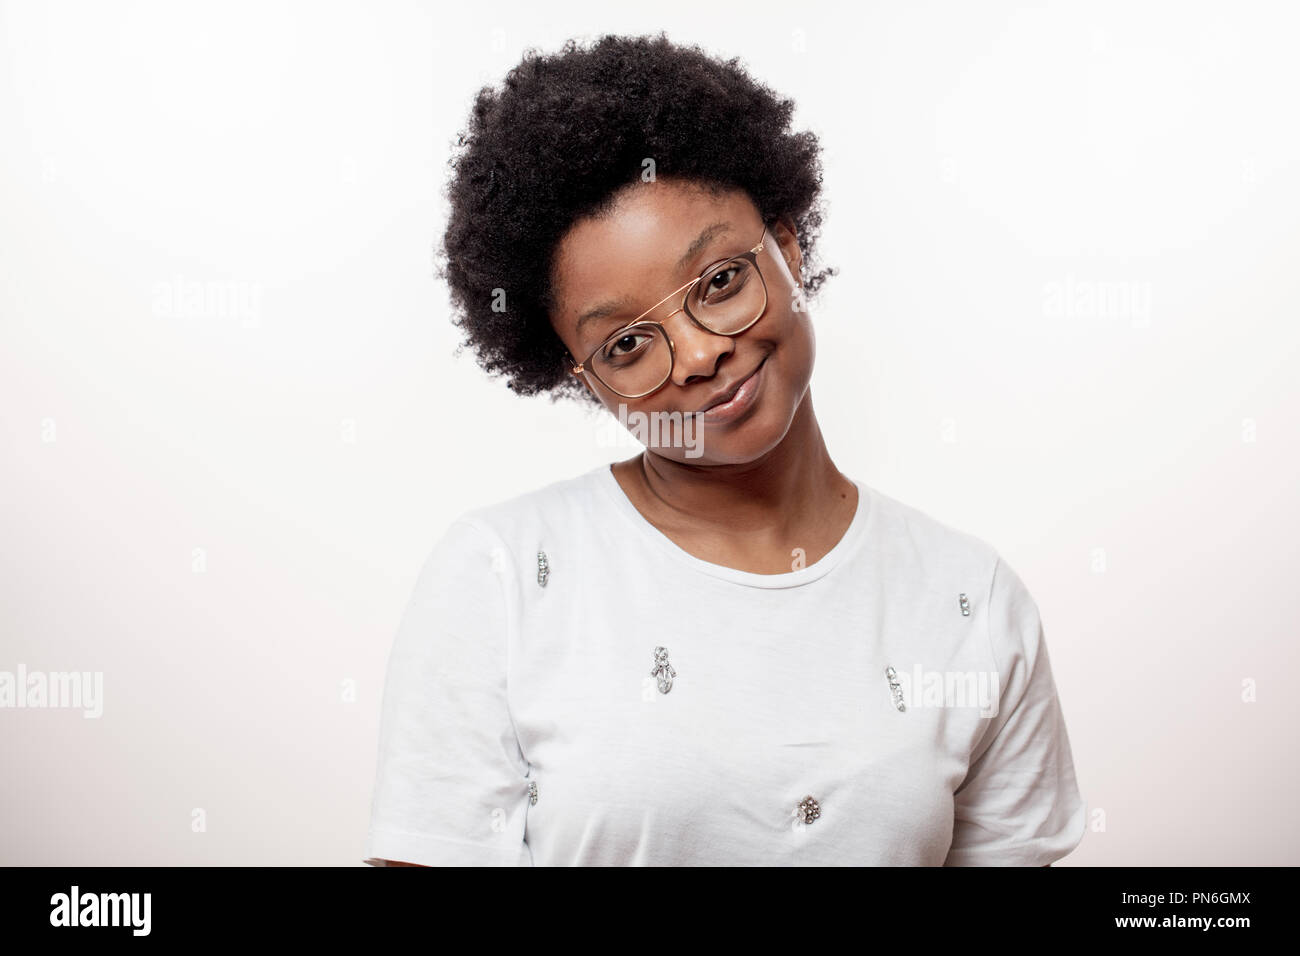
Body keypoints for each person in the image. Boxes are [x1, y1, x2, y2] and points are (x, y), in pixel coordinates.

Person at [362, 32, 1086, 866]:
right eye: (628, 343)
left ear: (788, 247)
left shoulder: (972, 601)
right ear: (583, 379)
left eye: (718, 282)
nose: (701, 354)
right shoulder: (501, 576)